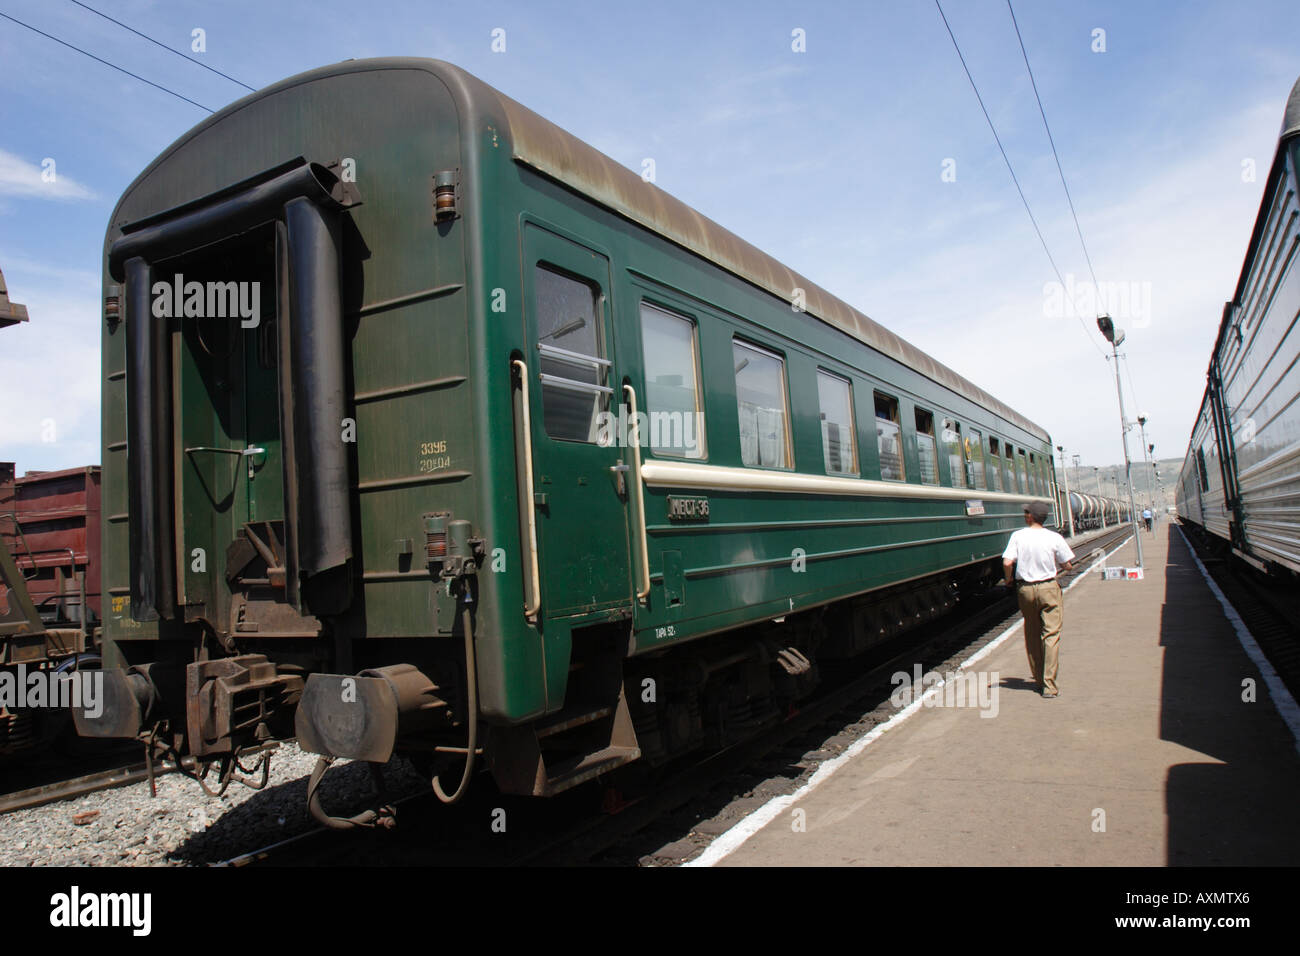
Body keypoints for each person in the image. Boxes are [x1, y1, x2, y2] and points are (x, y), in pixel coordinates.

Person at [1003, 501, 1075, 698]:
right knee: (1050, 635)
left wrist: (1009, 579)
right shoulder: (1054, 537)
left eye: (1026, 512)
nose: (1024, 515)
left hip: (1025, 589)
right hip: (1048, 587)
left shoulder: (1017, 536)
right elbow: (1068, 564)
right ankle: (1049, 685)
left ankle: (1038, 679)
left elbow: (1008, 562)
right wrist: (1064, 567)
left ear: (1030, 517)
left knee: (1032, 633)